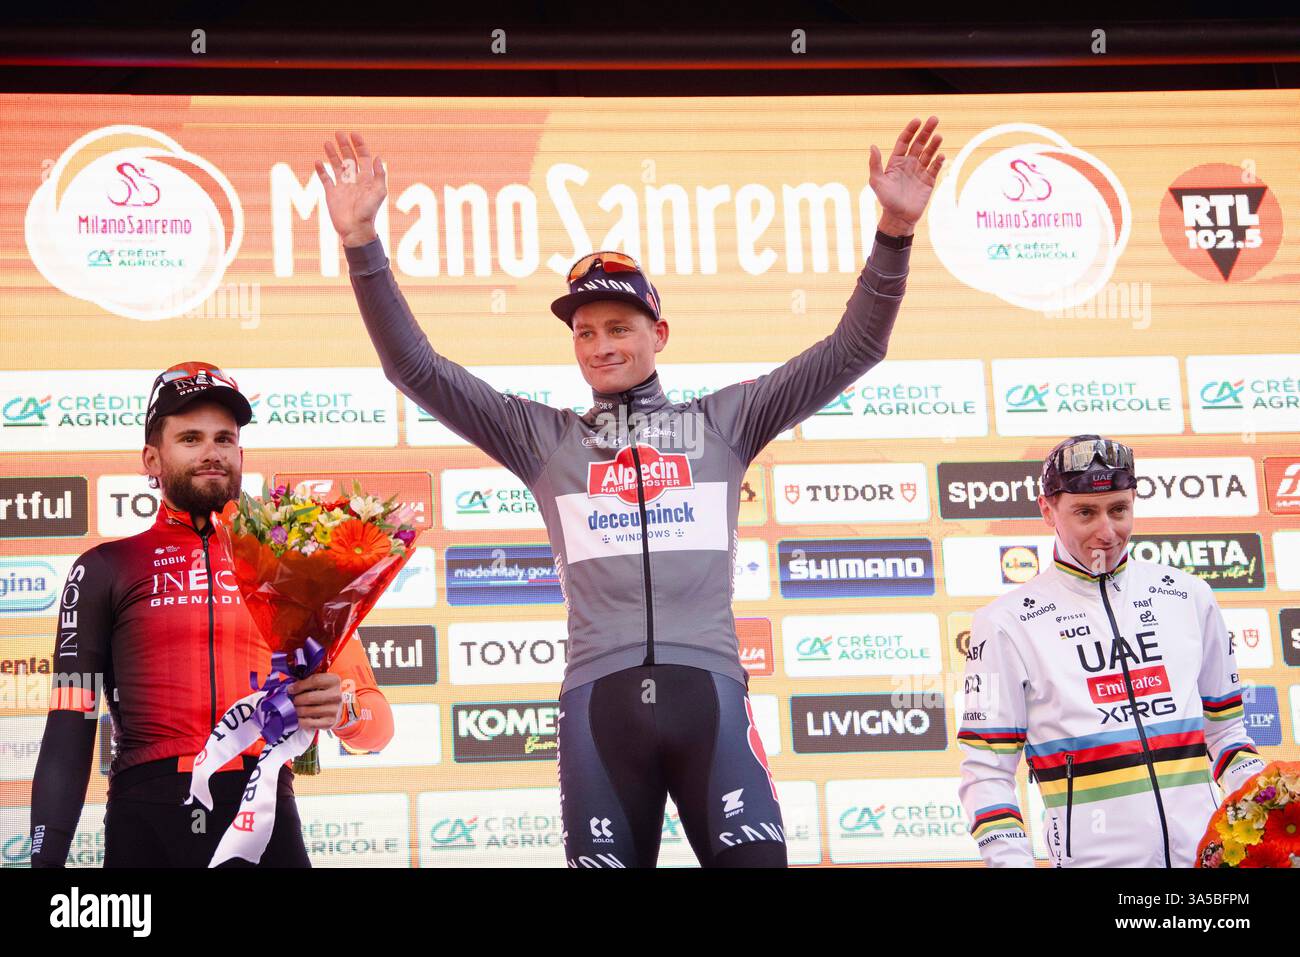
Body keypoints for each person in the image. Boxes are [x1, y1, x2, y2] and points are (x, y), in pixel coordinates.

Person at [317, 118, 943, 867]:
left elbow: (855, 348)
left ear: (660, 333)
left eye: (619, 326)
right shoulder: (544, 438)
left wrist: (895, 230)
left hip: (707, 696)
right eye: (585, 332)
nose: (602, 345)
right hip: (597, 707)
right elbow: (416, 369)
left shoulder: (725, 421)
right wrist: (362, 245)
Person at [29, 362, 394, 868]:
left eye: (224, 438)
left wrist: (344, 711)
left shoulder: (292, 565)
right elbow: (71, 727)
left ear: (240, 454)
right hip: (145, 819)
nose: (211, 452)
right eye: (191, 438)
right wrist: (44, 862)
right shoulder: (104, 569)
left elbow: (378, 725)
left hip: (262, 813)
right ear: (151, 458)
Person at [957, 435, 1265, 867]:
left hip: (1205, 861)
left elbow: (1227, 736)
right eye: (1085, 512)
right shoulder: (1005, 623)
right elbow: (987, 771)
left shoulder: (1188, 596)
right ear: (1047, 510)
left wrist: (1265, 814)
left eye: (1119, 510)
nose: (1108, 532)